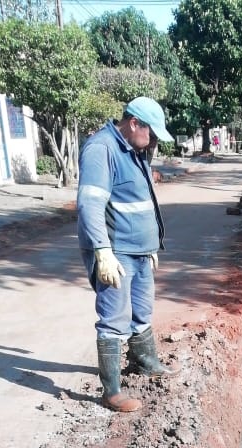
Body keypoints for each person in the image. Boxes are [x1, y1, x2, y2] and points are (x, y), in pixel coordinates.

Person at [77, 96, 174, 413]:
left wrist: (150, 246)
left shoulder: (134, 150)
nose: (155, 141)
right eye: (153, 134)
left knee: (141, 312)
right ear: (134, 124)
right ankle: (111, 391)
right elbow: (90, 204)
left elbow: (139, 201)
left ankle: (145, 363)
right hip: (117, 253)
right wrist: (102, 252)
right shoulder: (102, 149)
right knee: (113, 319)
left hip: (140, 251)